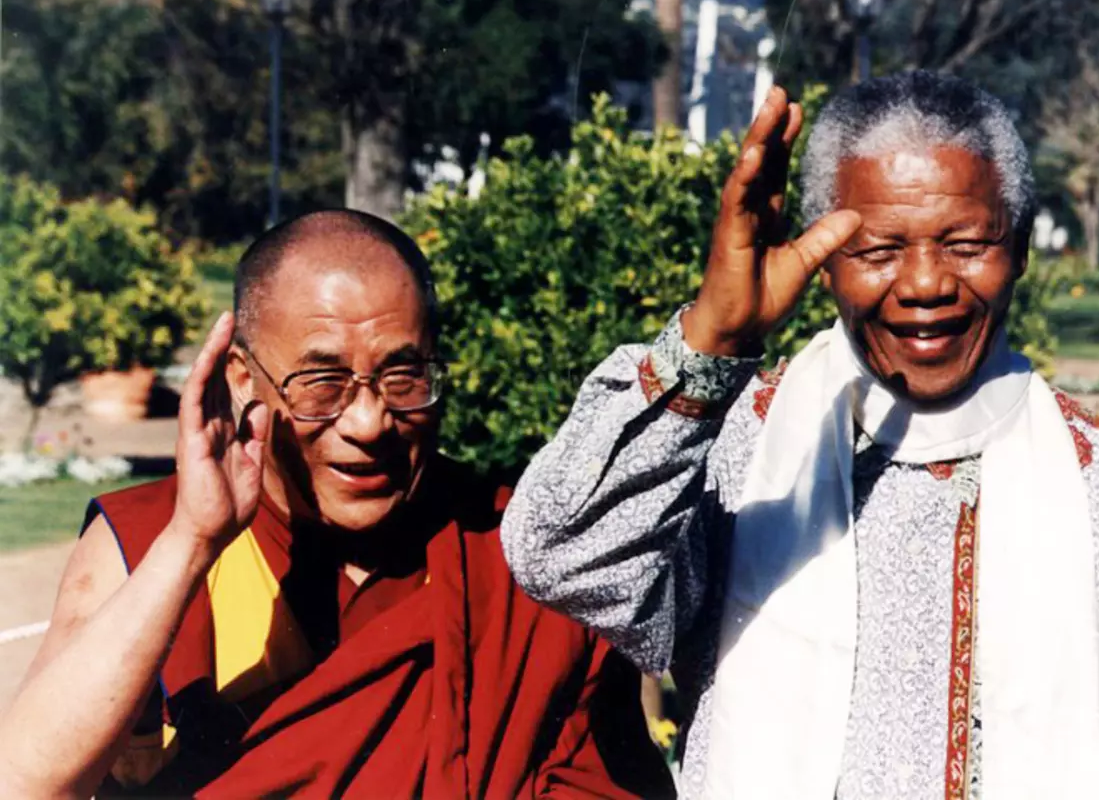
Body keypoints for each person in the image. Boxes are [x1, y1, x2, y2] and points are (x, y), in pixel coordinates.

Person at [500, 73, 1099, 799]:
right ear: (823, 263)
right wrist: (710, 339)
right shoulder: (738, 450)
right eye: (877, 250)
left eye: (965, 243)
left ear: (1019, 248)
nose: (926, 282)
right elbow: (559, 555)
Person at [0, 210, 673, 797]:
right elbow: (26, 781)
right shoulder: (151, 538)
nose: (369, 421)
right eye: (322, 382)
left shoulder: (512, 550)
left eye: (403, 375)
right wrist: (192, 541)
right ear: (242, 378)